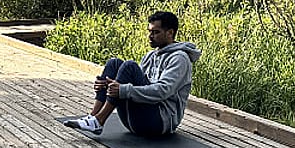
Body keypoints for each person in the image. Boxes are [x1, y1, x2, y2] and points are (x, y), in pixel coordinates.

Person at [69, 11, 201, 137]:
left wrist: (123, 90)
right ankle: (93, 116)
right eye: (149, 31)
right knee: (114, 63)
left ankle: (99, 120)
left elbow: (163, 91)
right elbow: (137, 84)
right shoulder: (151, 55)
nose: (150, 36)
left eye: (156, 32)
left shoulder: (180, 59)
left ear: (170, 33)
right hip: (134, 119)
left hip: (158, 122)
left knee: (129, 66)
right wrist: (105, 86)